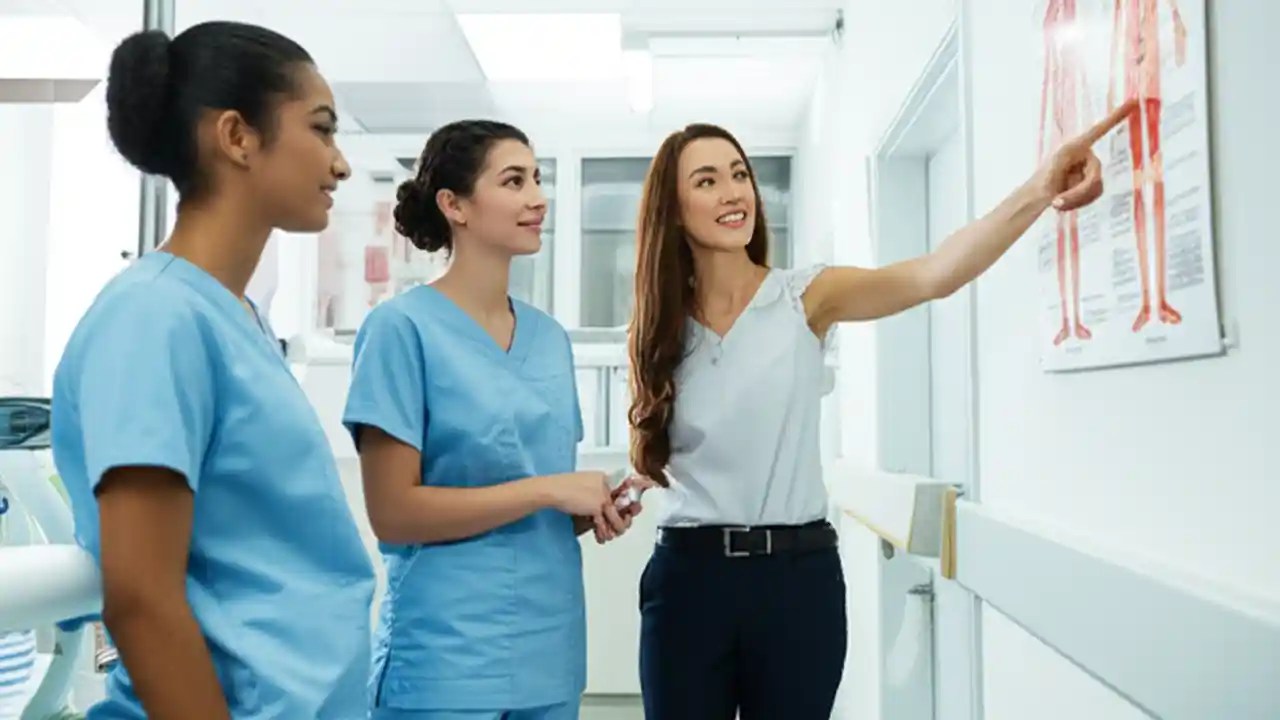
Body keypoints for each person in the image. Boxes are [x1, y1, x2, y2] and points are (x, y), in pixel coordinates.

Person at [624, 104, 1135, 719]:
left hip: (796, 580)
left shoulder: (804, 298)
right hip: (689, 580)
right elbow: (676, 451)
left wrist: (1040, 186)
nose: (734, 192)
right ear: (674, 210)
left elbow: (933, 275)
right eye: (706, 181)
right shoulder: (659, 332)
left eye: (739, 174)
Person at [50, 22, 375, 719]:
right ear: (237, 136)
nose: (340, 164)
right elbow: (140, 597)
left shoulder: (232, 320)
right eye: (321, 130)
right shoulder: (153, 318)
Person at [342, 119, 639, 720]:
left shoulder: (549, 340)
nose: (537, 197)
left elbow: (528, 508)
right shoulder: (401, 331)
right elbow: (394, 514)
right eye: (513, 180)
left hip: (548, 652)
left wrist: (588, 508)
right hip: (445, 659)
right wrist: (548, 489)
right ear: (455, 206)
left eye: (537, 178)